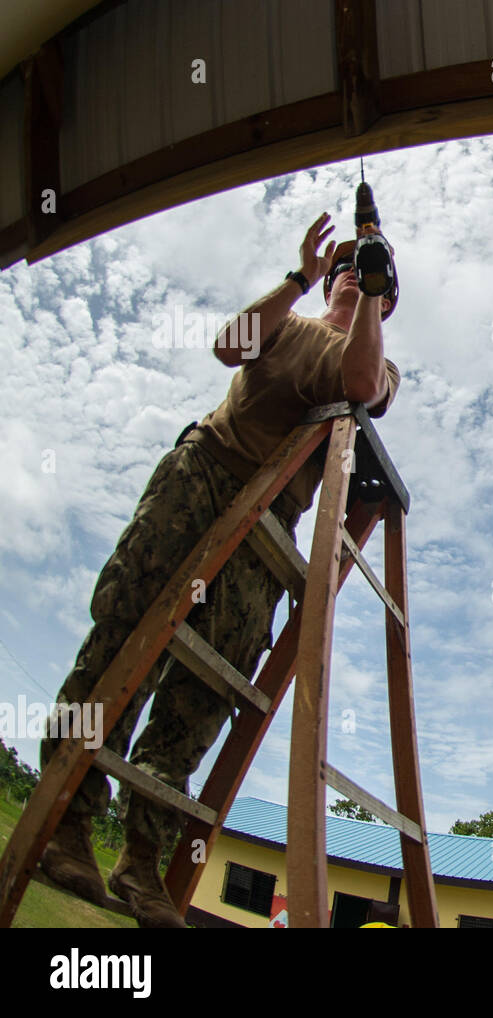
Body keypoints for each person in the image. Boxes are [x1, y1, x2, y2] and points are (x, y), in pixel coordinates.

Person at [39, 213, 401, 928]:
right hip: (203, 473)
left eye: (371, 277)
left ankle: (141, 863)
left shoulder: (378, 356)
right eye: (344, 269)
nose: (353, 274)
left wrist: (370, 292)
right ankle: (65, 824)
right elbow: (227, 346)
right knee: (123, 638)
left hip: (266, 528)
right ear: (327, 279)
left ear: (385, 302)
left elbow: (360, 381)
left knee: (203, 692)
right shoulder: (290, 321)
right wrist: (298, 277)